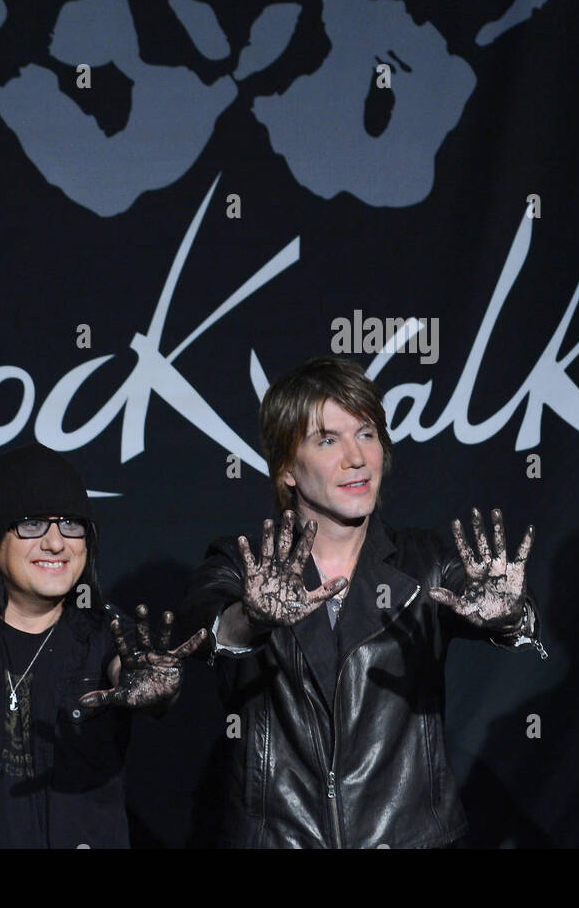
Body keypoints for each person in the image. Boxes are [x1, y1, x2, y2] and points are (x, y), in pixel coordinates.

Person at [180, 356, 546, 848]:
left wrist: (510, 616)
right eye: (328, 439)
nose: (356, 457)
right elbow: (203, 630)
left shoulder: (426, 563)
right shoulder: (244, 565)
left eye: (367, 434)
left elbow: (508, 614)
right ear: (287, 468)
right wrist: (251, 618)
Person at [0, 442, 203, 848]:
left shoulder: (111, 634)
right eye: (32, 524)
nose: (56, 542)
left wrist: (152, 685)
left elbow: (131, 670)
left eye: (70, 524)